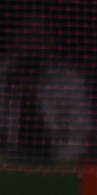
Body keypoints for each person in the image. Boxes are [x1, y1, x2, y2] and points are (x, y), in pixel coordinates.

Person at [0, 11, 91, 165]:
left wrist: (60, 161)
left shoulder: (67, 81)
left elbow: (80, 133)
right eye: (28, 37)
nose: (33, 45)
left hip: (52, 166)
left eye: (39, 37)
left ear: (49, 42)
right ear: (16, 39)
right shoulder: (2, 77)